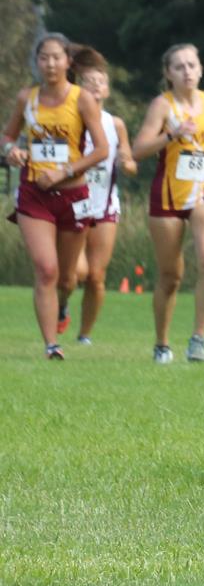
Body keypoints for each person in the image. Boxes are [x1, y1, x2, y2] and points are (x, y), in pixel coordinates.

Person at [3, 33, 110, 359]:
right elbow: (8, 135)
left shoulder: (81, 99)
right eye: (44, 58)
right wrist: (11, 150)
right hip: (34, 195)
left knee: (66, 278)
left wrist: (64, 171)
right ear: (37, 63)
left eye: (56, 57)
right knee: (46, 270)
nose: (50, 64)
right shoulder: (27, 98)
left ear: (68, 62)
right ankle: (52, 345)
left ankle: (63, 306)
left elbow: (102, 150)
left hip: (73, 196)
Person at [131, 43, 204, 363]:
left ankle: (198, 338)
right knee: (170, 276)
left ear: (201, 69)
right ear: (168, 74)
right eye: (179, 66)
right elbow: (139, 149)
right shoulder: (162, 106)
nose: (187, 71)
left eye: (192, 65)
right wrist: (171, 135)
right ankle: (162, 343)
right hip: (168, 193)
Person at [68, 46, 137, 347]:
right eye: (89, 81)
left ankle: (84, 334)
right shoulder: (69, 119)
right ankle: (61, 303)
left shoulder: (116, 124)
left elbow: (130, 161)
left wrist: (127, 160)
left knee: (96, 275)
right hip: (72, 204)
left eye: (101, 81)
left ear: (107, 90)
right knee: (73, 274)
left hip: (105, 205)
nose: (96, 85)